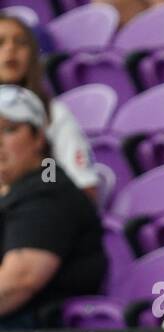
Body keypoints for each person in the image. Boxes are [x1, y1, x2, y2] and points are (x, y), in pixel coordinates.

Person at [0, 87, 106, 330]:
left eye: (8, 129)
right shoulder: (19, 190)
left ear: (38, 137)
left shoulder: (47, 194)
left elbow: (17, 283)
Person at [0, 14, 98, 200]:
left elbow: (85, 189)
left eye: (21, 42)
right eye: (0, 43)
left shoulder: (52, 114)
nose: (11, 49)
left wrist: (43, 195)